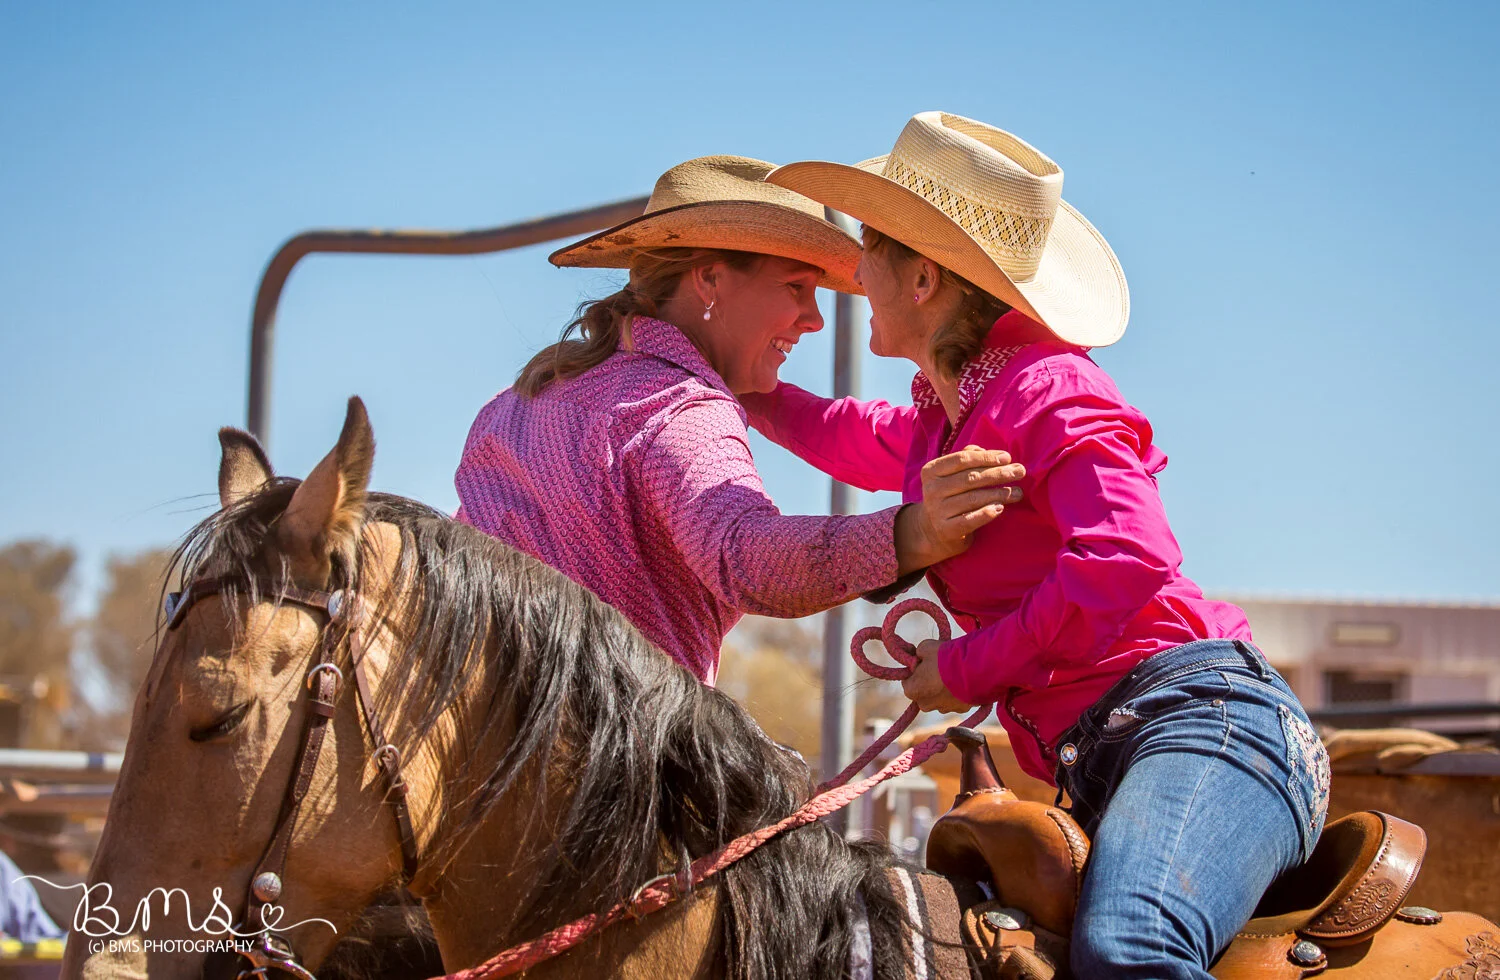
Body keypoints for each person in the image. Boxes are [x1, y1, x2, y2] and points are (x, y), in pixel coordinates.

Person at [740, 112, 1332, 979]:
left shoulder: (1049, 386)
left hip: (1205, 722)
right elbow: (839, 431)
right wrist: (726, 372)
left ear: (924, 279)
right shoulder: (952, 420)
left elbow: (1129, 555)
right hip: (1118, 747)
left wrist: (970, 666)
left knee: (1131, 950)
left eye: (870, 247)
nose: (854, 272)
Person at [453, 155, 1025, 683]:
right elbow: (742, 556)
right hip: (605, 761)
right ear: (710, 279)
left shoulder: (518, 401)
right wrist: (917, 533)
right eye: (796, 287)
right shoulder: (682, 408)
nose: (814, 319)